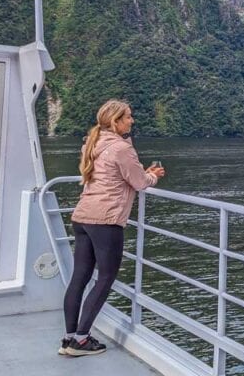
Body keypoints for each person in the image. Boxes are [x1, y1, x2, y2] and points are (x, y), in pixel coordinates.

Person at [60, 99, 165, 357]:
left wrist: (132, 153)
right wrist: (154, 175)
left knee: (80, 277)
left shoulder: (93, 142)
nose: (132, 120)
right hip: (105, 220)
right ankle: (82, 340)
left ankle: (68, 338)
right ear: (116, 121)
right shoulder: (120, 148)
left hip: (83, 216)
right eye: (128, 117)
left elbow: (117, 173)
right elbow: (139, 182)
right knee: (106, 277)